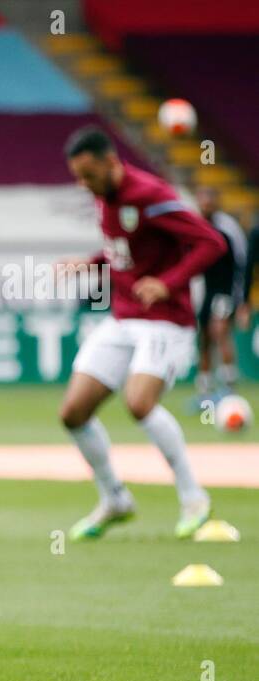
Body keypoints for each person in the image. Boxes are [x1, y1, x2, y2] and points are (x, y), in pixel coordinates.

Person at [56, 126, 225, 540]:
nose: (84, 184)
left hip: (165, 319)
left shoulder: (149, 195)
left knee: (139, 402)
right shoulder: (104, 197)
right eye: (78, 176)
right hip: (124, 316)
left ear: (111, 162)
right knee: (73, 412)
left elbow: (211, 242)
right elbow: (125, 249)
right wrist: (92, 262)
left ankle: (193, 496)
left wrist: (168, 282)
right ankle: (114, 498)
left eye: (89, 175)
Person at [192, 186, 248, 402]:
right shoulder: (196, 225)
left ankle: (229, 386)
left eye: (209, 203)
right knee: (204, 337)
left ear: (215, 204)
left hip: (225, 290)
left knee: (220, 332)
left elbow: (241, 261)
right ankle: (205, 392)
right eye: (202, 203)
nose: (205, 207)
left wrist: (240, 298)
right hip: (205, 289)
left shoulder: (227, 228)